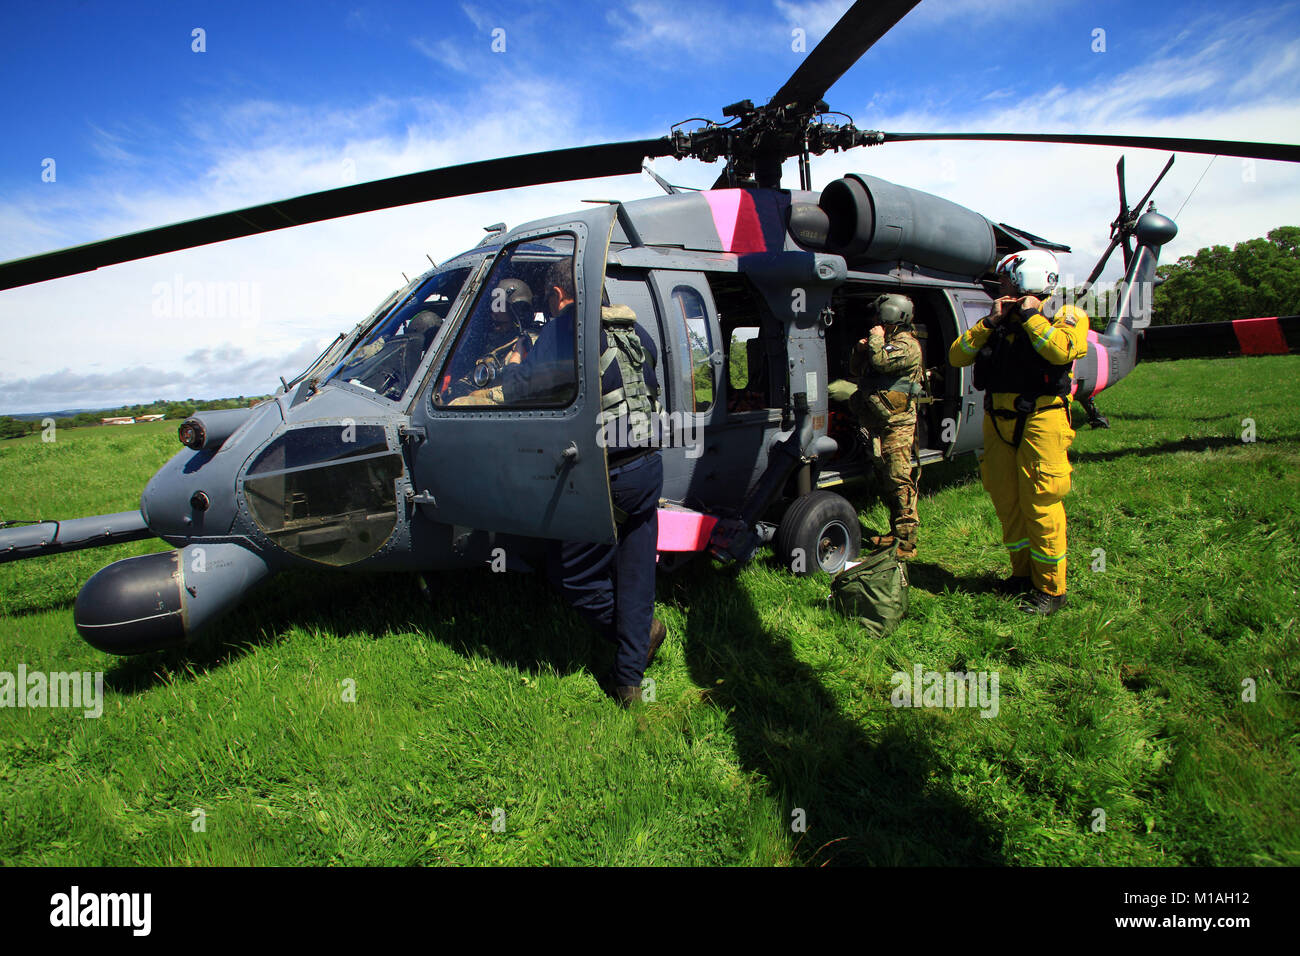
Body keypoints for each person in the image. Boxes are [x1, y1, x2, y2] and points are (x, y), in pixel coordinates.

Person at [513, 258, 667, 706]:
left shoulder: (565, 331)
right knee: (637, 576)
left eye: (550, 301)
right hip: (648, 468)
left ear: (562, 296)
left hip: (608, 477)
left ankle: (639, 632)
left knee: (571, 574)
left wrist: (518, 359)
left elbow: (524, 388)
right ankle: (629, 682)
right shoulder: (636, 333)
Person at [948, 249, 1089, 615]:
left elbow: (1060, 352)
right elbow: (956, 357)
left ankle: (1051, 589)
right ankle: (1022, 576)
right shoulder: (996, 320)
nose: (1002, 286)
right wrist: (990, 323)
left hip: (1042, 418)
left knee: (1040, 501)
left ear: (1030, 278)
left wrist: (1030, 317)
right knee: (1007, 500)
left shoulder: (1067, 316)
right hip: (997, 419)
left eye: (1008, 279)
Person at [848, 293, 924, 560]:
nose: (875, 321)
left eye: (880, 317)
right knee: (885, 479)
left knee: (899, 480)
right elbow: (858, 371)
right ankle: (895, 533)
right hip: (879, 422)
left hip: (898, 424)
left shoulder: (907, 345)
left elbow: (881, 361)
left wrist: (876, 338)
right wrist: (860, 349)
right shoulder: (883, 343)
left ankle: (906, 543)